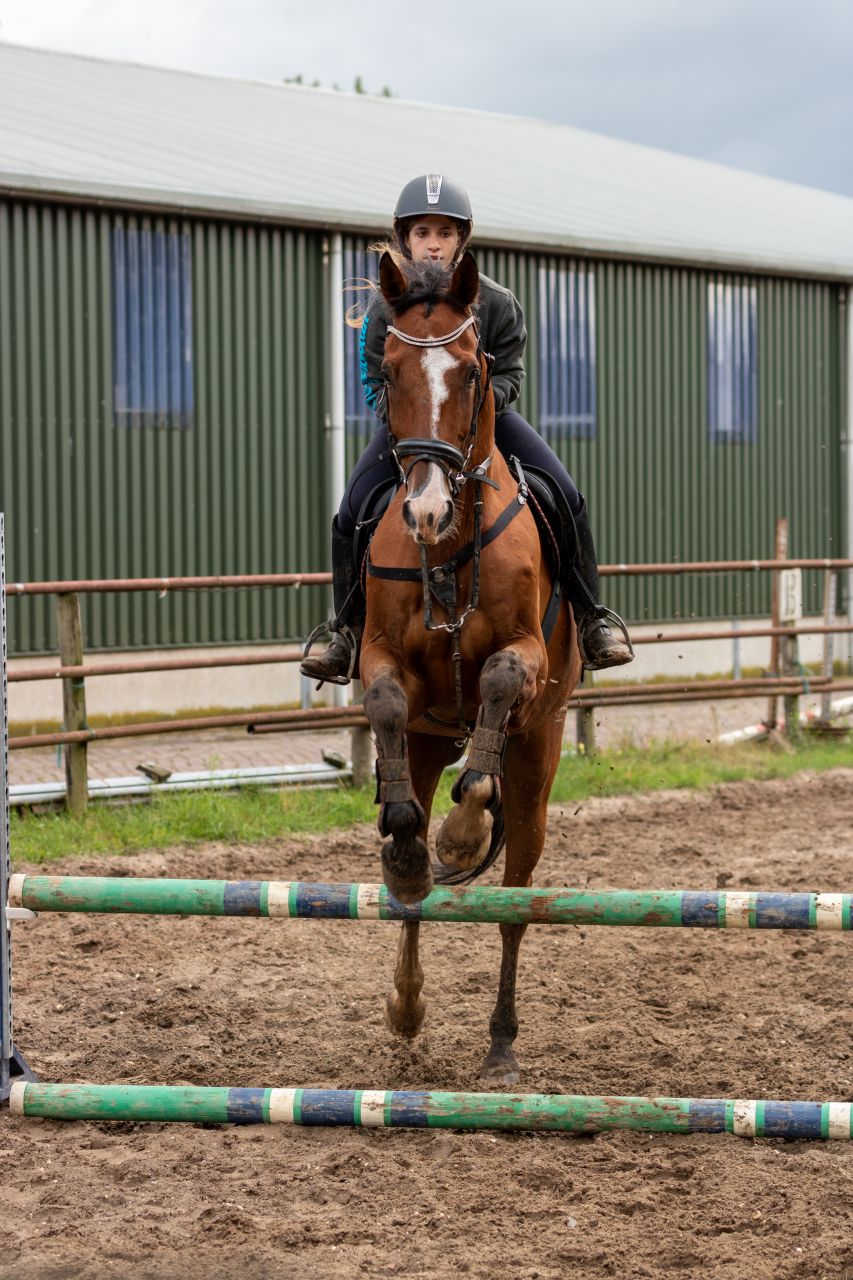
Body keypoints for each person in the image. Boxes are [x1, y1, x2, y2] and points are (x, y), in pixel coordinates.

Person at [301, 173, 633, 684]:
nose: (433, 244)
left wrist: (472, 413)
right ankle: (345, 632)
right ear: (405, 238)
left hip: (486, 424)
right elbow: (375, 383)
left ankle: (592, 620)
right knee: (351, 510)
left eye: (445, 233)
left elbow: (511, 375)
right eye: (422, 233)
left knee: (565, 494)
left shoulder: (495, 302)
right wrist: (416, 421)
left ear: (462, 239)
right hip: (412, 432)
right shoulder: (383, 308)